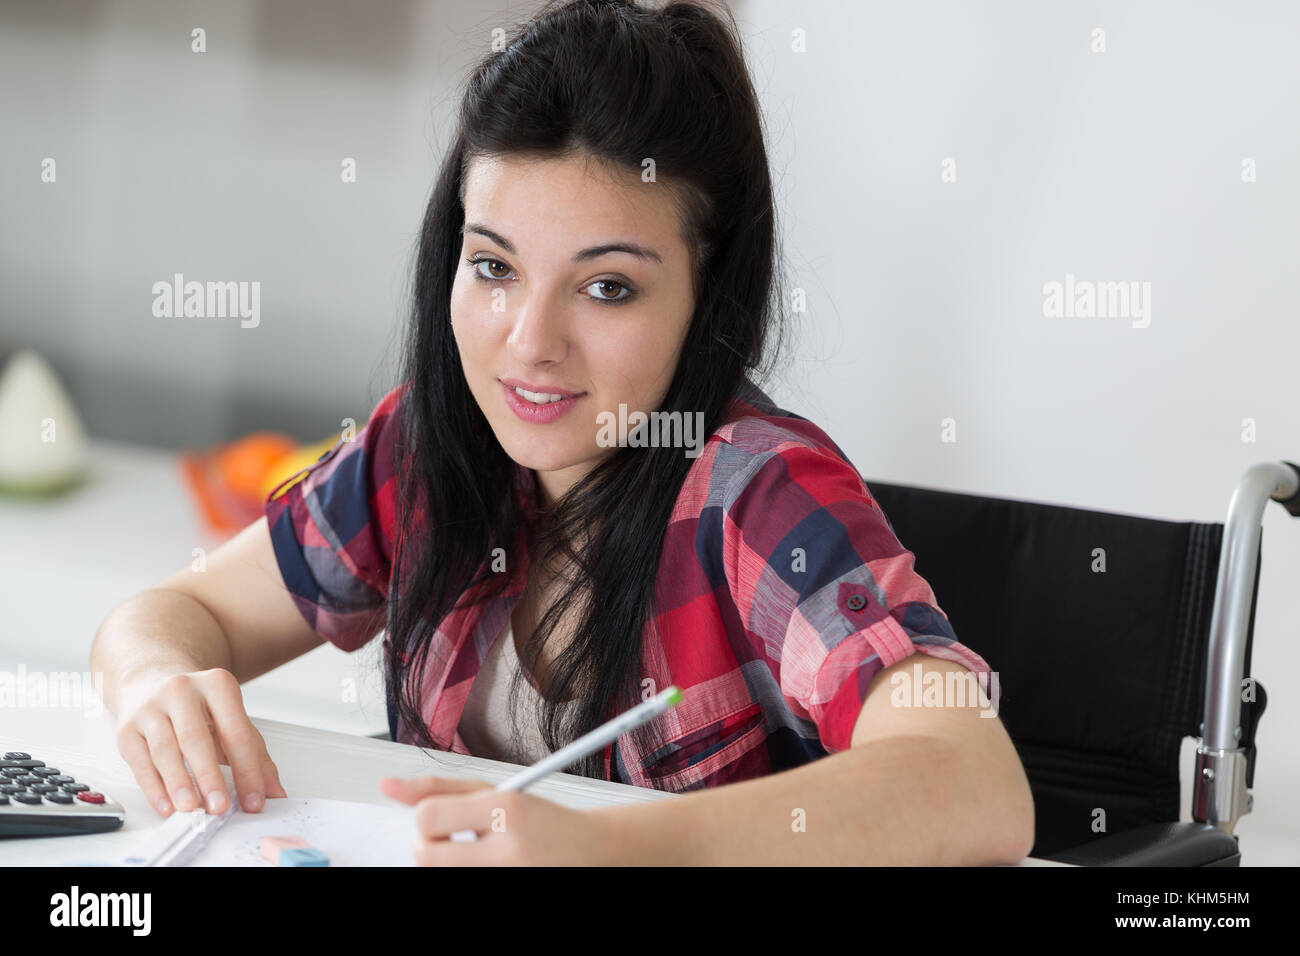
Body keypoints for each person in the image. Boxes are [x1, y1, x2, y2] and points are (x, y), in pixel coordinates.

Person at [91, 0, 1034, 866]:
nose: (530, 344)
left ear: (709, 297)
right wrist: (151, 681)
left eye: (607, 286)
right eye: (493, 266)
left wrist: (618, 852)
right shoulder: (428, 447)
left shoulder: (758, 494)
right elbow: (176, 616)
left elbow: (976, 787)